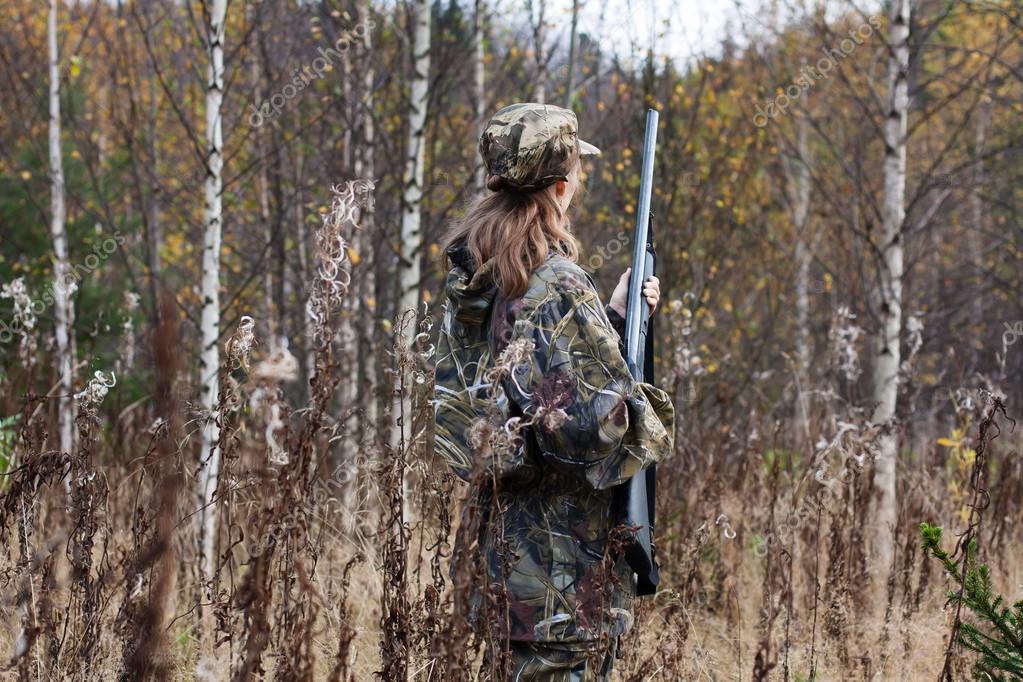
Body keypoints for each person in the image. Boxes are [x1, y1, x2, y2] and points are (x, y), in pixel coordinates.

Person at [433, 103, 675, 681]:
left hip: (502, 566)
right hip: (564, 579)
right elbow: (596, 429)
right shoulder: (557, 281)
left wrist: (611, 322)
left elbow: (523, 388)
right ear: (561, 186)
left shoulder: (478, 276)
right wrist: (647, 407)